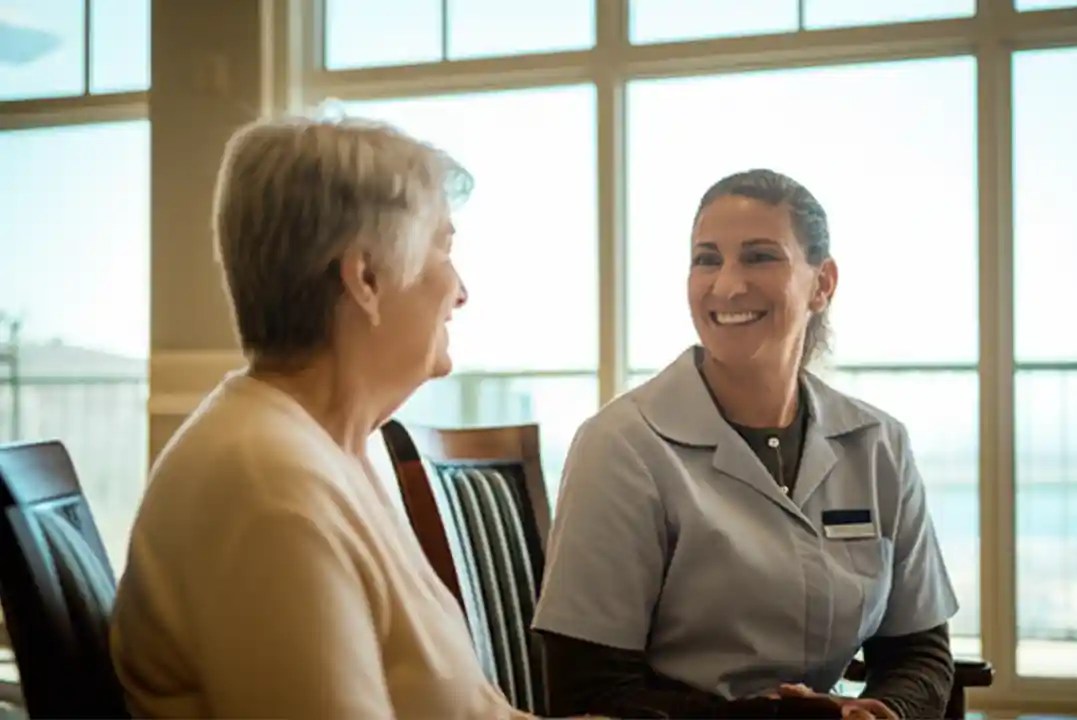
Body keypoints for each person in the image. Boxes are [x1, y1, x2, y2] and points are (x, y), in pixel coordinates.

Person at [109, 116, 534, 719]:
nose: (461, 291)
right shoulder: (265, 484)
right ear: (365, 277)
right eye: (444, 247)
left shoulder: (326, 454)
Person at [532, 169, 959, 720]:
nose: (727, 285)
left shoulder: (878, 444)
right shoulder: (622, 446)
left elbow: (919, 650)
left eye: (759, 257)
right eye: (707, 259)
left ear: (822, 284)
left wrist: (884, 711)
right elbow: (590, 692)